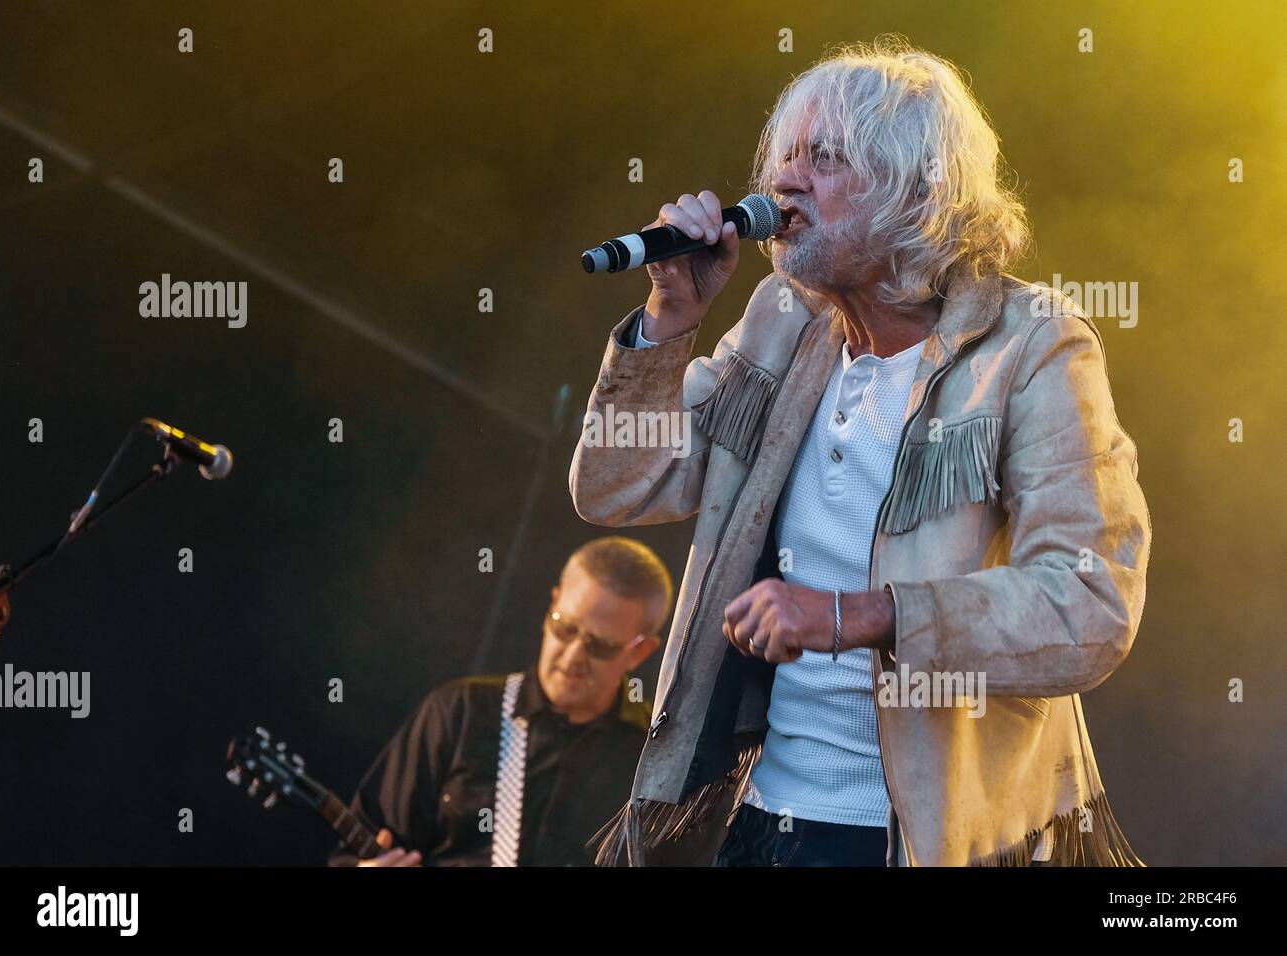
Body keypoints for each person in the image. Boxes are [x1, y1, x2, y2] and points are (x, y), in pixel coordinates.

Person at [570, 36, 1151, 867]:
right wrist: (669, 319)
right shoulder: (783, 320)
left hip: (922, 840)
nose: (785, 181)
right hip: (766, 815)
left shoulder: (1030, 350)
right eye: (785, 155)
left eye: (825, 157)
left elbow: (1090, 607)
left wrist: (856, 616)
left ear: (919, 191)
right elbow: (616, 488)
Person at [329, 536, 688, 866]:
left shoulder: (655, 760)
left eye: (601, 645)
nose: (574, 655)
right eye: (565, 627)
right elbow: (354, 848)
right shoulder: (460, 711)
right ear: (552, 605)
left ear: (640, 652)